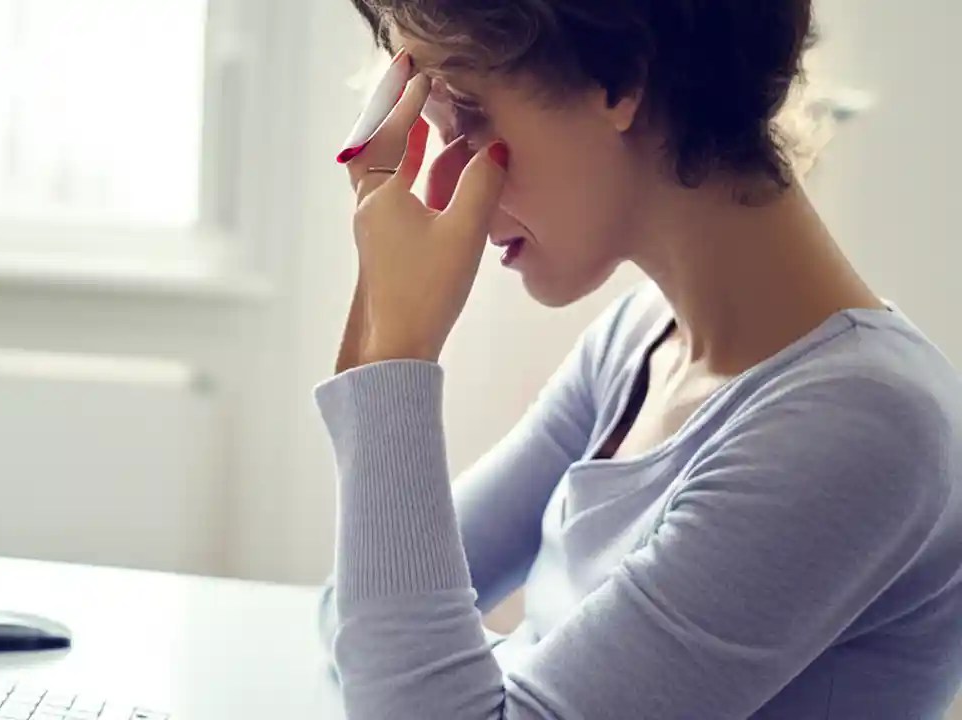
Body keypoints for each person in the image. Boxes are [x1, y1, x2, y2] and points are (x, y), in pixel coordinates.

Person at [314, 1, 962, 718]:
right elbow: (355, 624)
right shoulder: (639, 343)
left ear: (621, 78)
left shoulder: (860, 428)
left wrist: (398, 356)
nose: (444, 187)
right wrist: (382, 292)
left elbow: (395, 674)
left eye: (468, 115)